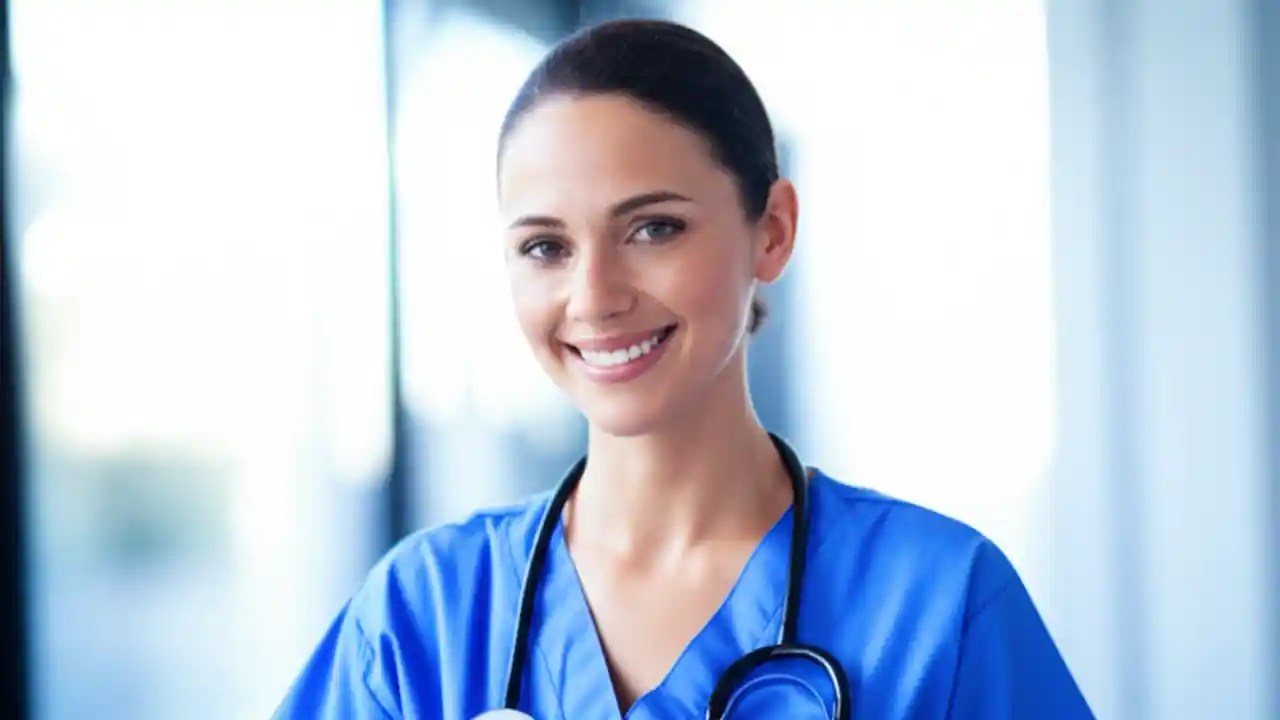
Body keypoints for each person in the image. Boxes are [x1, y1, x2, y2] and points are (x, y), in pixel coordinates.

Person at [274, 18, 1091, 719]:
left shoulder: (937, 606)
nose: (593, 297)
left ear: (770, 230)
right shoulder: (425, 618)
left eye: (653, 229)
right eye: (546, 247)